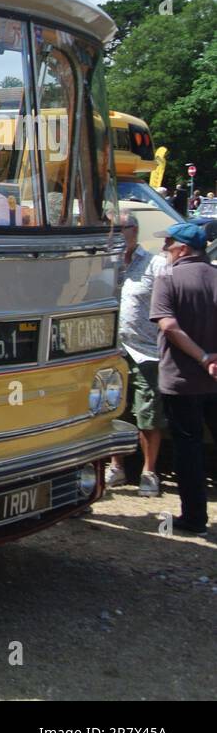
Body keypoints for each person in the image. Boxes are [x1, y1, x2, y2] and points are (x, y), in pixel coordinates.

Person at [149, 221, 217, 536]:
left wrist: (202, 357)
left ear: (183, 249)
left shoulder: (168, 278)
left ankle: (194, 519)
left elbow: (168, 326)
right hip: (213, 379)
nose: (165, 251)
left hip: (181, 379)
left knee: (188, 449)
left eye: (168, 245)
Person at [108, 211, 168, 495]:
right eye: (111, 229)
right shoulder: (106, 264)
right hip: (112, 350)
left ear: (134, 230)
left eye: (120, 229)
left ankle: (149, 472)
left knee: (148, 413)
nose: (115, 235)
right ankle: (116, 467)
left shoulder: (156, 264)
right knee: (113, 409)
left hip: (146, 351)